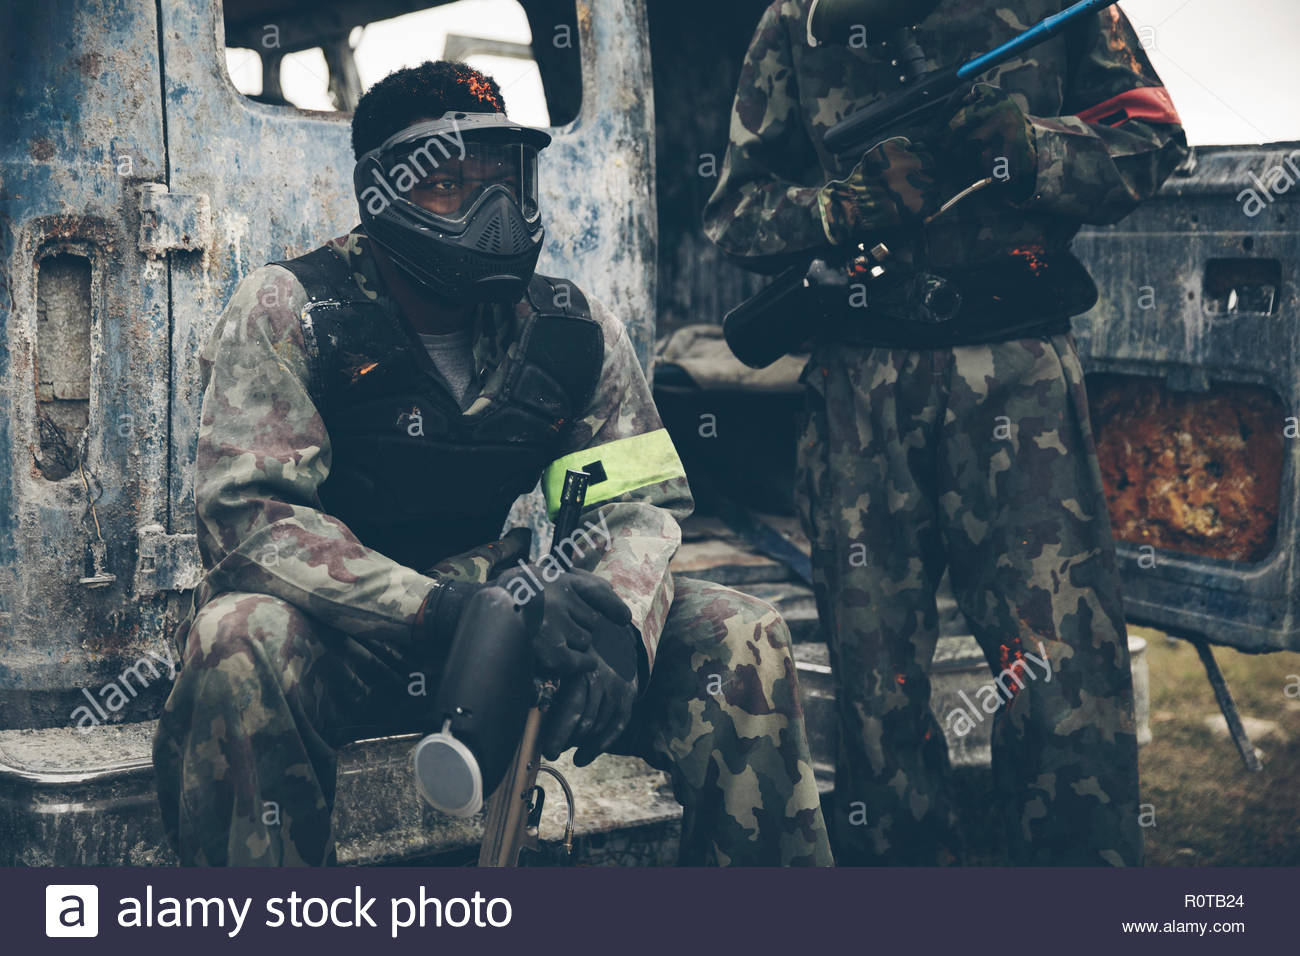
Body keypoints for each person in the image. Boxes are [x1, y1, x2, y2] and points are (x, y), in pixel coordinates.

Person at [153, 60, 832, 867]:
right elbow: (254, 522)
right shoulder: (295, 309)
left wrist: (619, 626)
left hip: (513, 616)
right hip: (350, 634)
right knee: (236, 640)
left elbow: (636, 503)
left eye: (502, 183)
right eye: (448, 185)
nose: (493, 215)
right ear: (382, 194)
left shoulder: (572, 328)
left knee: (743, 633)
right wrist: (444, 610)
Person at [704, 0, 1186, 865]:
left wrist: (1032, 148)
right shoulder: (801, 20)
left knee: (1062, 677)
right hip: (862, 388)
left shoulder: (1062, 12)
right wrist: (838, 210)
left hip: (1019, 377)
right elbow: (734, 211)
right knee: (876, 691)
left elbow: (1153, 140)